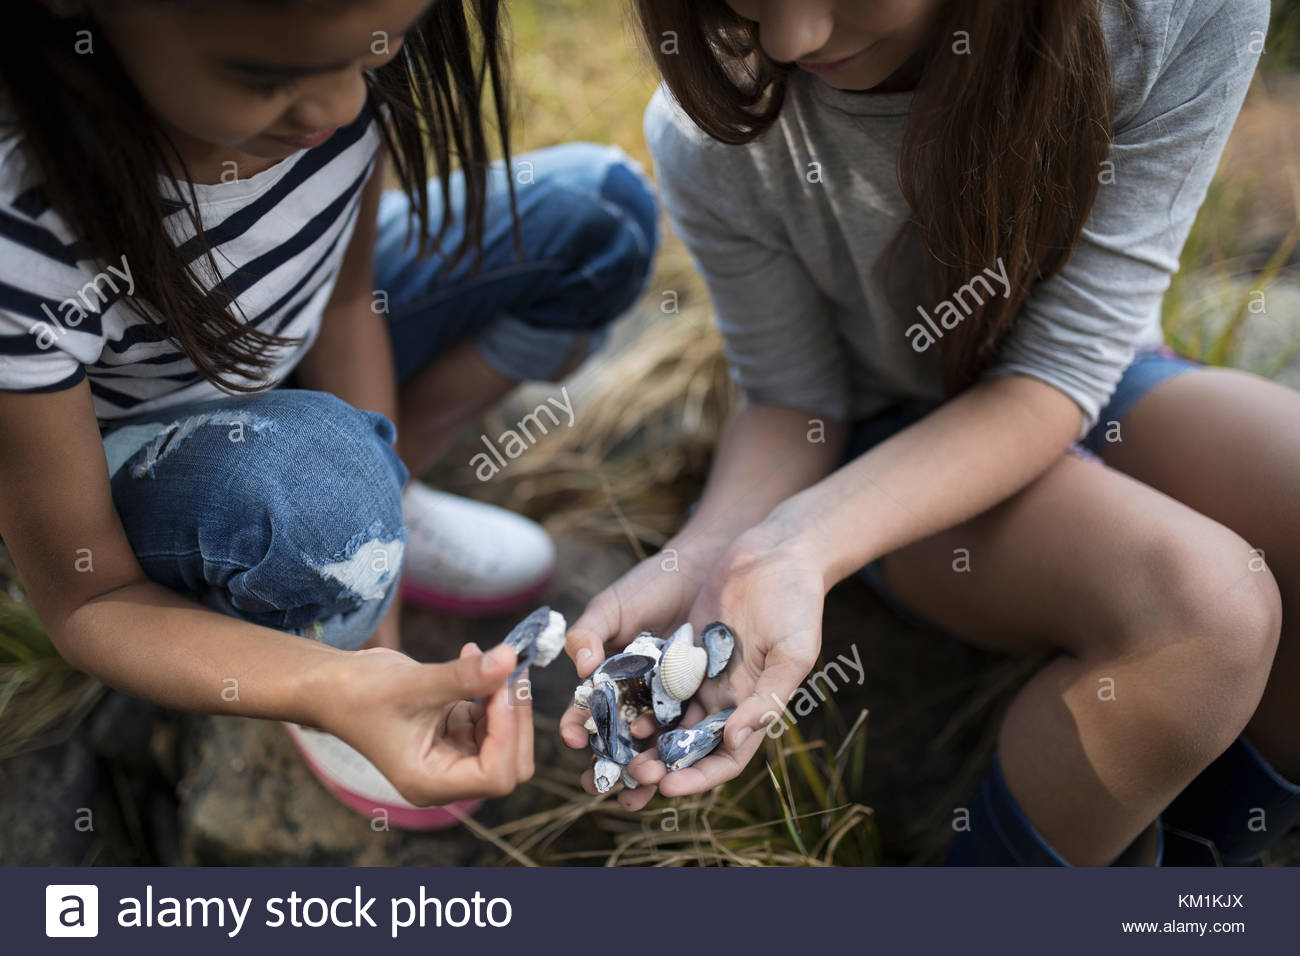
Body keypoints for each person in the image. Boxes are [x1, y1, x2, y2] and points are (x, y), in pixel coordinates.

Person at [562, 0, 1297, 865]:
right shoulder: (708, 130)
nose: (790, 42)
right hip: (876, 456)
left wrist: (784, 552)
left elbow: (1061, 369)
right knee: (1206, 614)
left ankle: (1199, 875)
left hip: (1087, 379)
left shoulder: (1173, 16)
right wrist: (739, 552)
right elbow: (794, 402)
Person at [0, 0, 657, 829]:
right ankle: (321, 594)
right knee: (319, 501)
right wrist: (345, 681)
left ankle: (371, 516)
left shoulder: (340, 76)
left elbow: (348, 306)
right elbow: (87, 601)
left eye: (375, 52)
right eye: (266, 79)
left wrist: (380, 493)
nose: (343, 107)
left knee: (603, 217)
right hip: (121, 458)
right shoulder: (19, 236)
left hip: (276, 337)